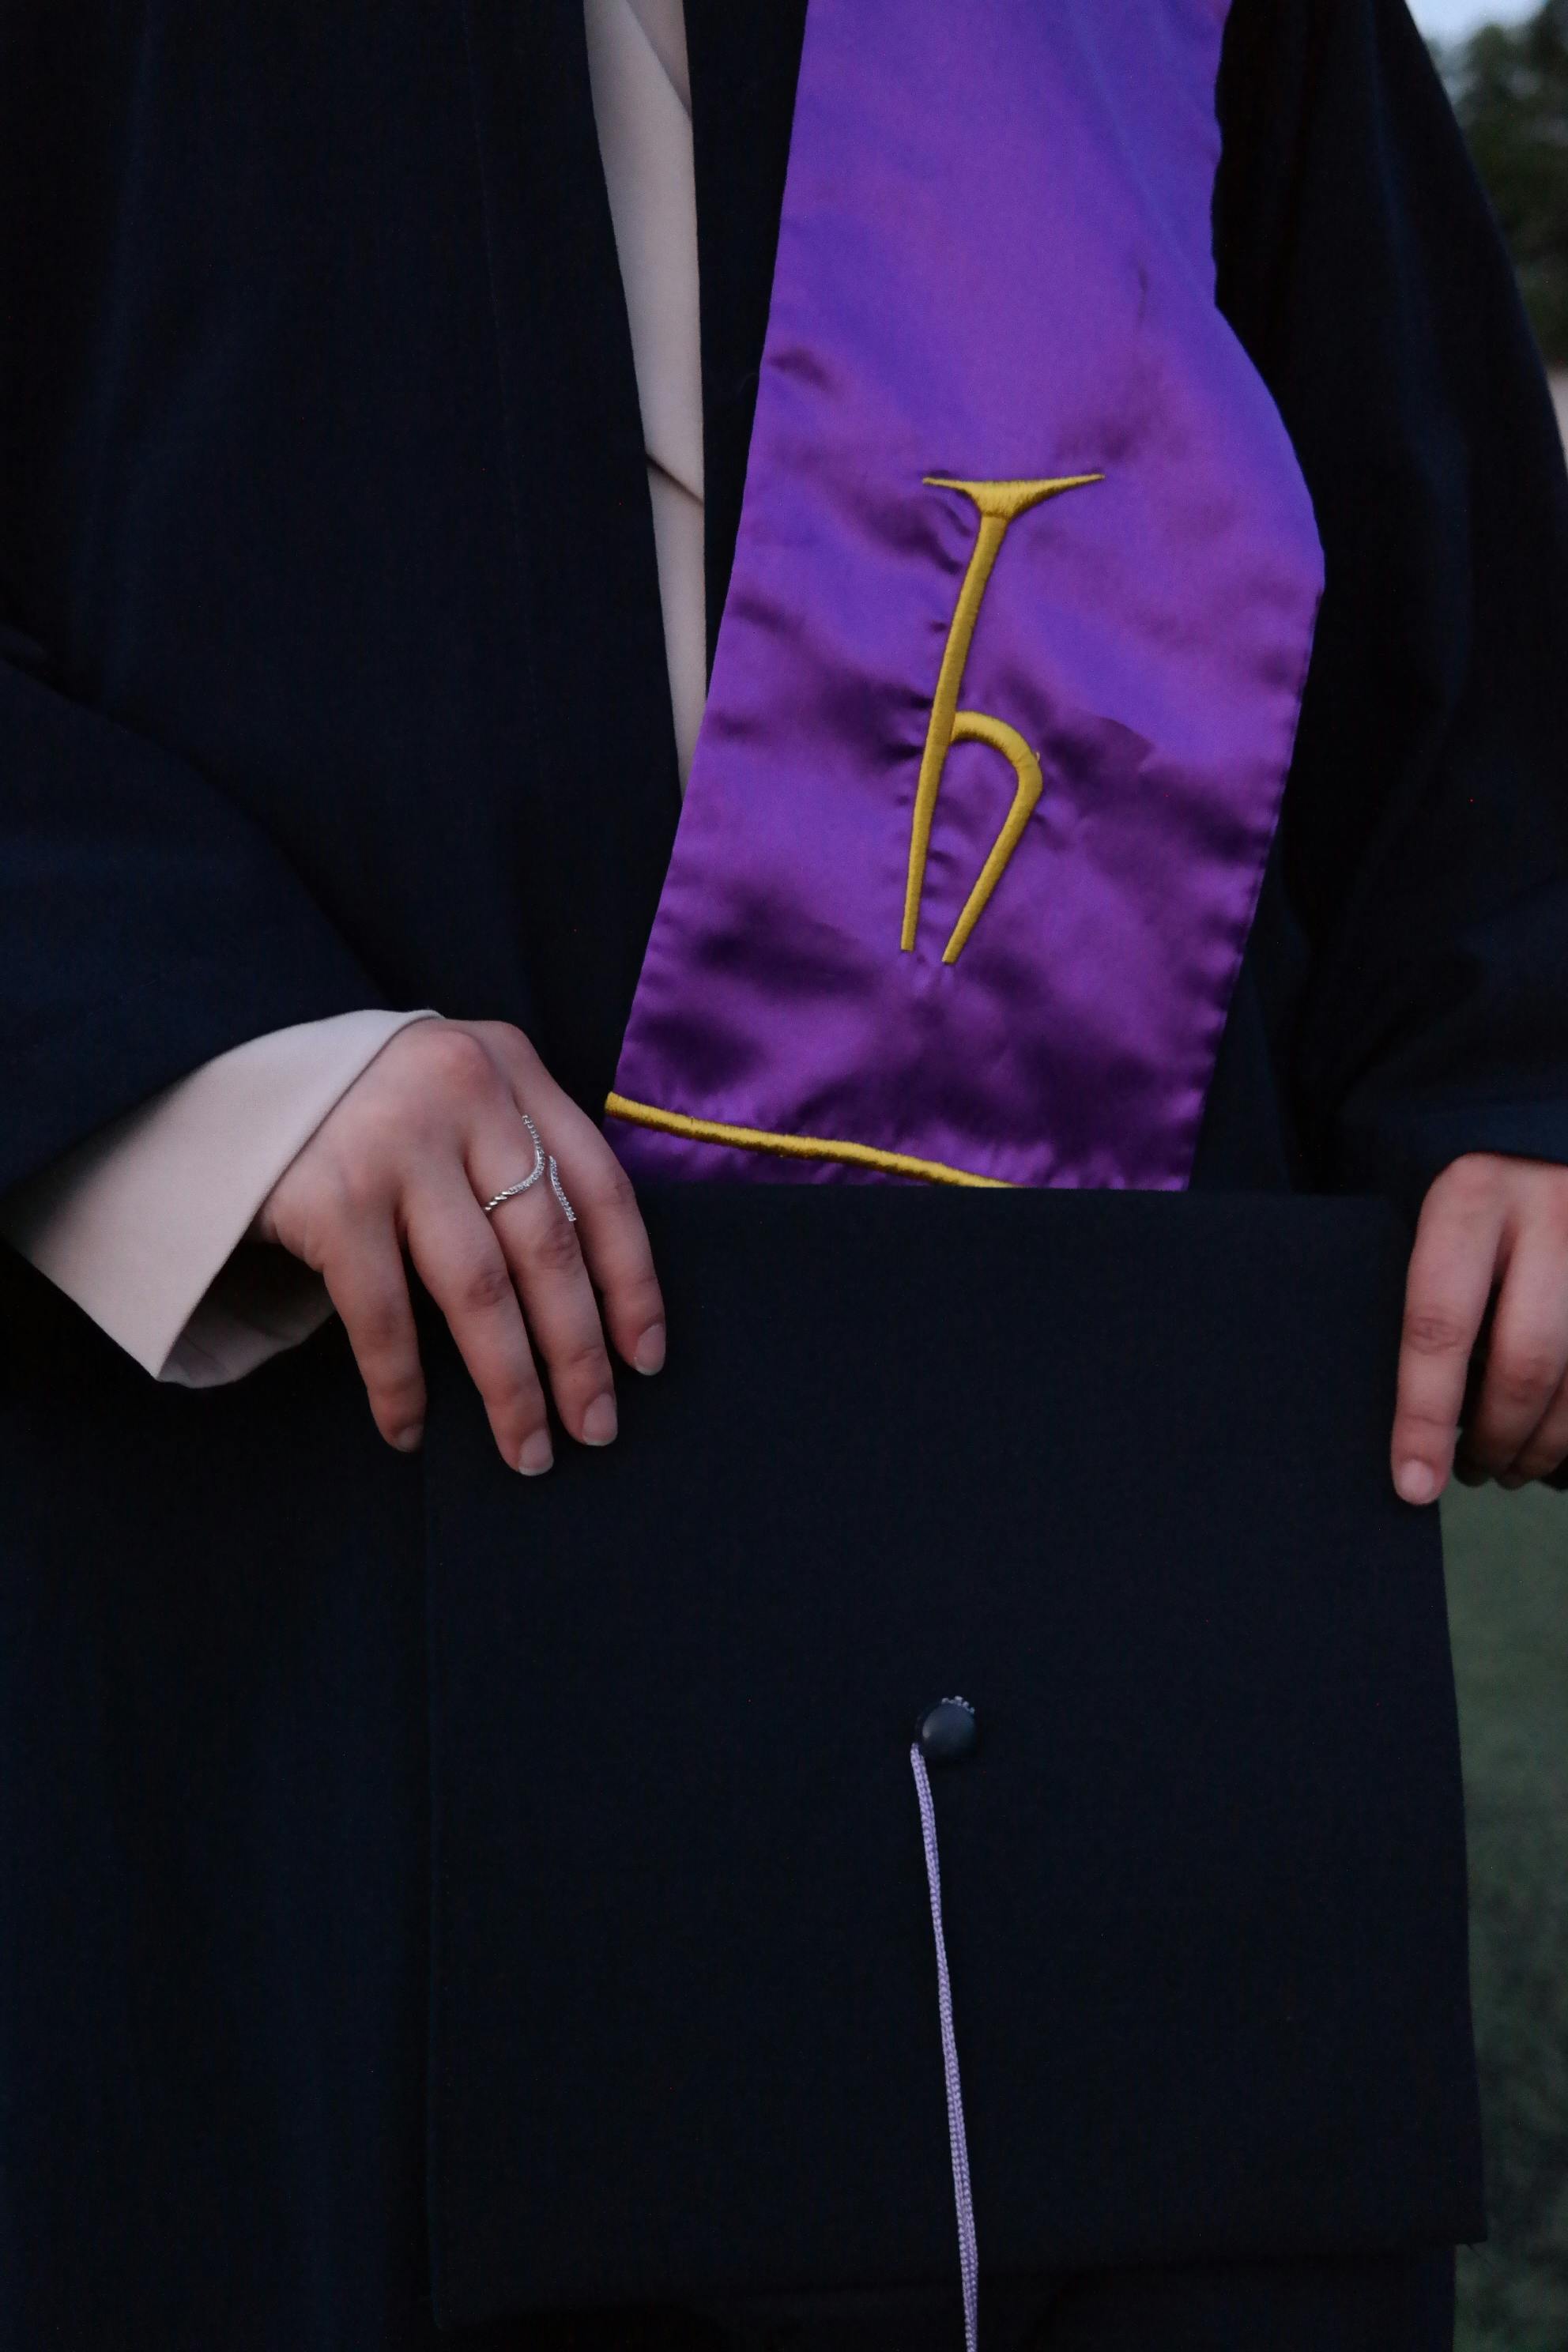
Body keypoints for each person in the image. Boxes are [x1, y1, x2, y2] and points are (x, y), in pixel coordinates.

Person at [0, 0, 1564, 2345]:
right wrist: (175, 1029)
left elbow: (1435, 543)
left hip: (1131, 1463)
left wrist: (1520, 1069)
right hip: (302, 1462)